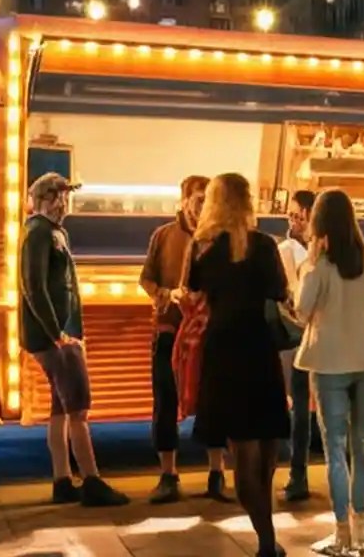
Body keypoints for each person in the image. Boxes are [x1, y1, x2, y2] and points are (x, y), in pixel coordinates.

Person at [187, 173, 291, 557]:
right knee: (265, 448)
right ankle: (267, 537)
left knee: (242, 450)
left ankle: (266, 539)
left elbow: (192, 289)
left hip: (223, 351)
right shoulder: (264, 245)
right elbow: (279, 290)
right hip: (258, 346)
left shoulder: (202, 247)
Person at [20, 172, 129, 507]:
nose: (64, 203)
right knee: (79, 409)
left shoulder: (52, 232)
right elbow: (34, 286)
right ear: (43, 199)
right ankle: (92, 481)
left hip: (60, 334)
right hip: (55, 337)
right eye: (59, 196)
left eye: (66, 196)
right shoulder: (39, 232)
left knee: (61, 410)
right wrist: (58, 334)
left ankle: (62, 479)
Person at [293, 189, 364, 555]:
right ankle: (362, 534)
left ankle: (341, 533)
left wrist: (307, 264)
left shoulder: (319, 263)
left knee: (335, 449)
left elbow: (301, 310)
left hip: (330, 364)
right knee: (361, 446)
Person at [139, 175, 230, 504]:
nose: (203, 206)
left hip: (208, 334)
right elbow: (146, 279)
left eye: (208, 199)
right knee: (165, 401)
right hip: (169, 330)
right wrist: (167, 295)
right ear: (184, 200)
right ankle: (168, 475)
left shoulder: (220, 239)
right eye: (198, 199)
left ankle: (217, 474)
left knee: (214, 401)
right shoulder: (163, 235)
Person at [277, 190, 316, 502]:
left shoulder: (319, 252)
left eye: (297, 215)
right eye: (290, 215)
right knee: (299, 408)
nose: (292, 221)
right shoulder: (286, 250)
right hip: (297, 338)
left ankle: (299, 473)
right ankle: (297, 472)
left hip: (315, 336)